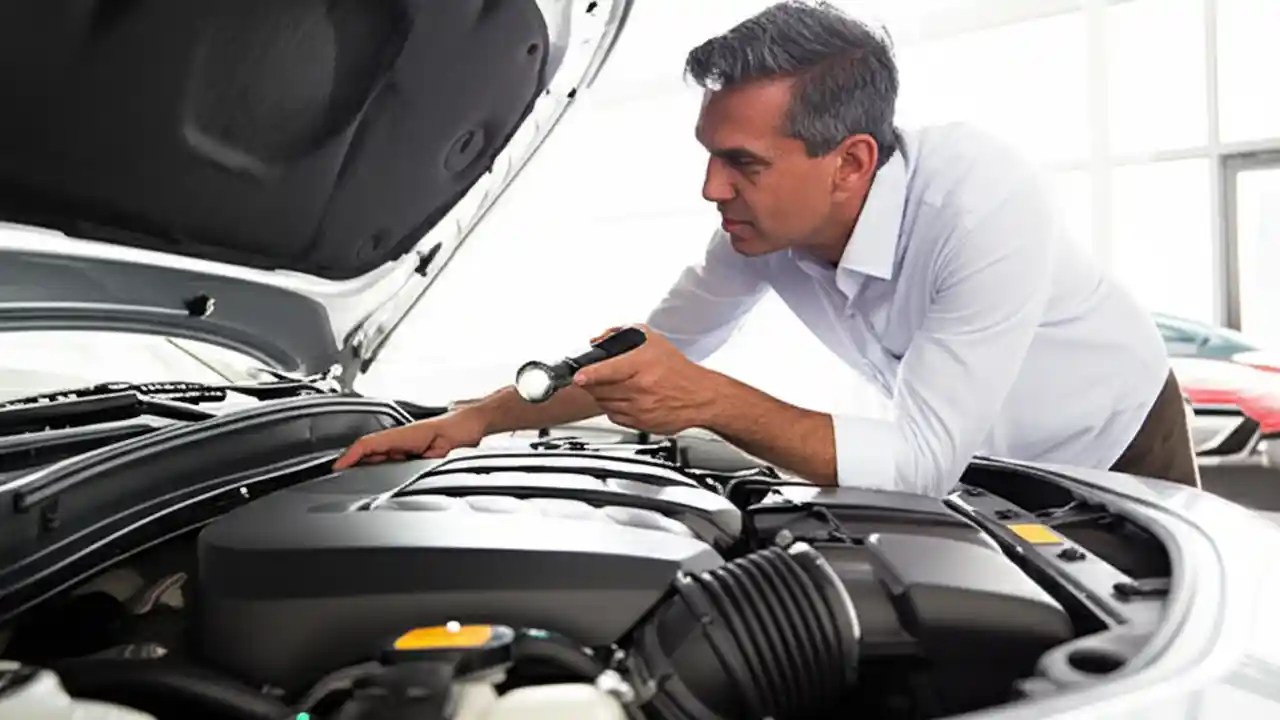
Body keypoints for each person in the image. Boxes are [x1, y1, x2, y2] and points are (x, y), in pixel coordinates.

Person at [333, 1, 1200, 496]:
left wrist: (712, 400)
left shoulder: (980, 196)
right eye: (710, 155)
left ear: (849, 162)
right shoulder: (759, 232)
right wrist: (469, 422)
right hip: (974, 456)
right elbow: (646, 357)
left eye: (741, 163)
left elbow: (917, 463)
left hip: (1115, 433)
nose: (712, 189)